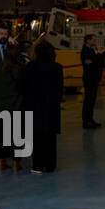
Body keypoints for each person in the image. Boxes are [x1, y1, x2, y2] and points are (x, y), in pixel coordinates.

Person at [23, 41, 63, 174]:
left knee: (36, 137)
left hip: (34, 107)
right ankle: (50, 165)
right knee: (50, 137)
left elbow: (23, 87)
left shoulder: (30, 67)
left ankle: (38, 165)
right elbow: (60, 90)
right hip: (51, 107)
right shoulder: (57, 67)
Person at [0, 42, 26, 172]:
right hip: (16, 106)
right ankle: (16, 162)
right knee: (17, 135)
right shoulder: (18, 69)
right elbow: (23, 88)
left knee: (2, 135)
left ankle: (2, 161)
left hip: (0, 106)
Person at [80, 35, 101, 128]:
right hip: (89, 78)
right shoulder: (85, 51)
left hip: (94, 78)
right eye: (93, 39)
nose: (95, 41)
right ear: (88, 41)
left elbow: (96, 62)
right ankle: (86, 121)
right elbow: (89, 63)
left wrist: (95, 60)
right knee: (88, 100)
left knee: (92, 100)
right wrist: (96, 60)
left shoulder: (92, 50)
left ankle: (90, 119)